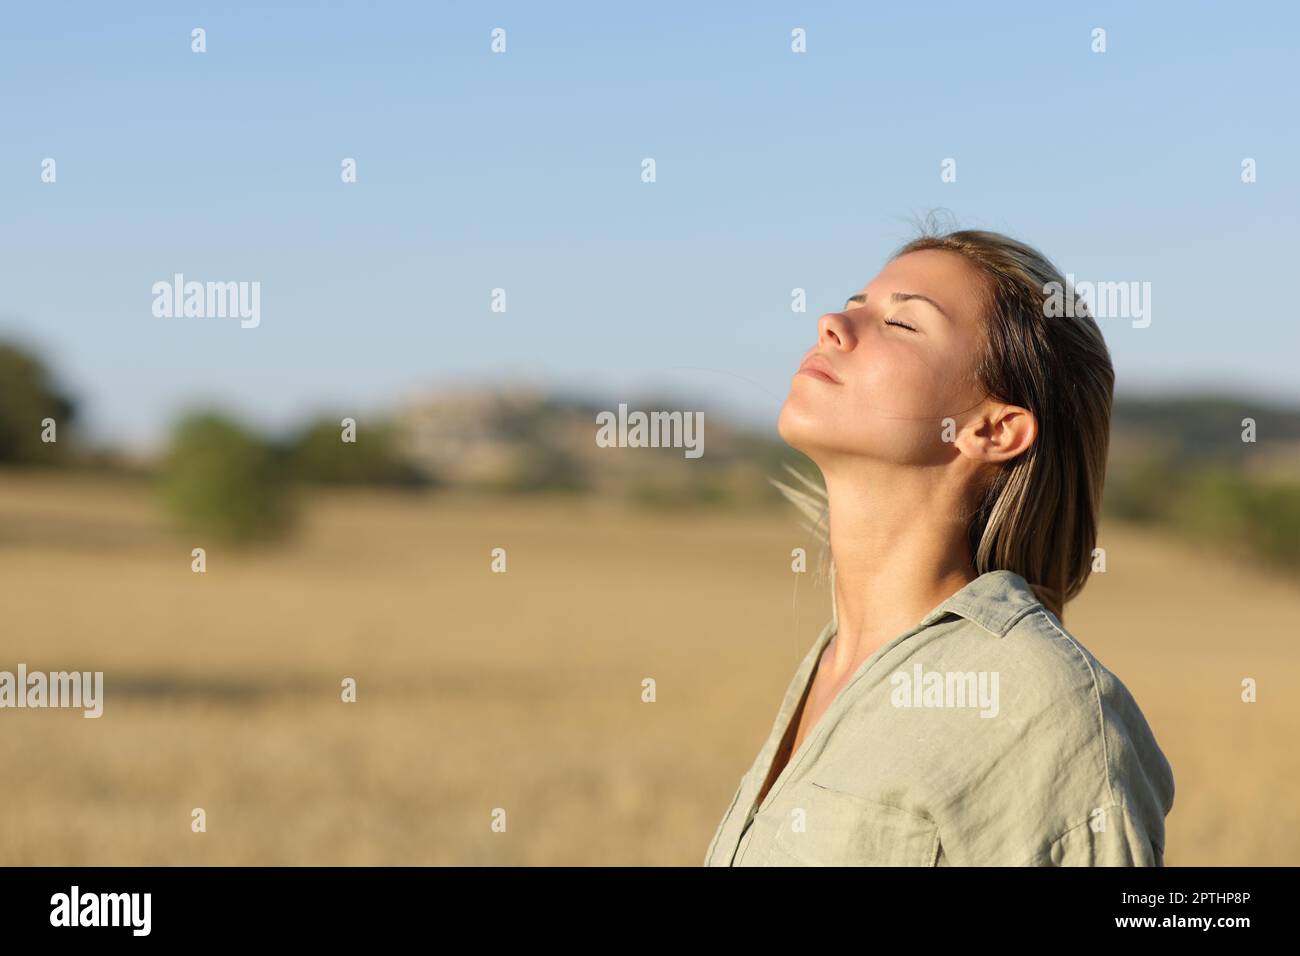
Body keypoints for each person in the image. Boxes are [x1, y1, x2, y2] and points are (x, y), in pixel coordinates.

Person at [704, 228, 1175, 866]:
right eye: (856, 303)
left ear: (995, 428)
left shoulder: (1045, 707)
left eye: (902, 323)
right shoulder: (832, 663)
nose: (832, 324)